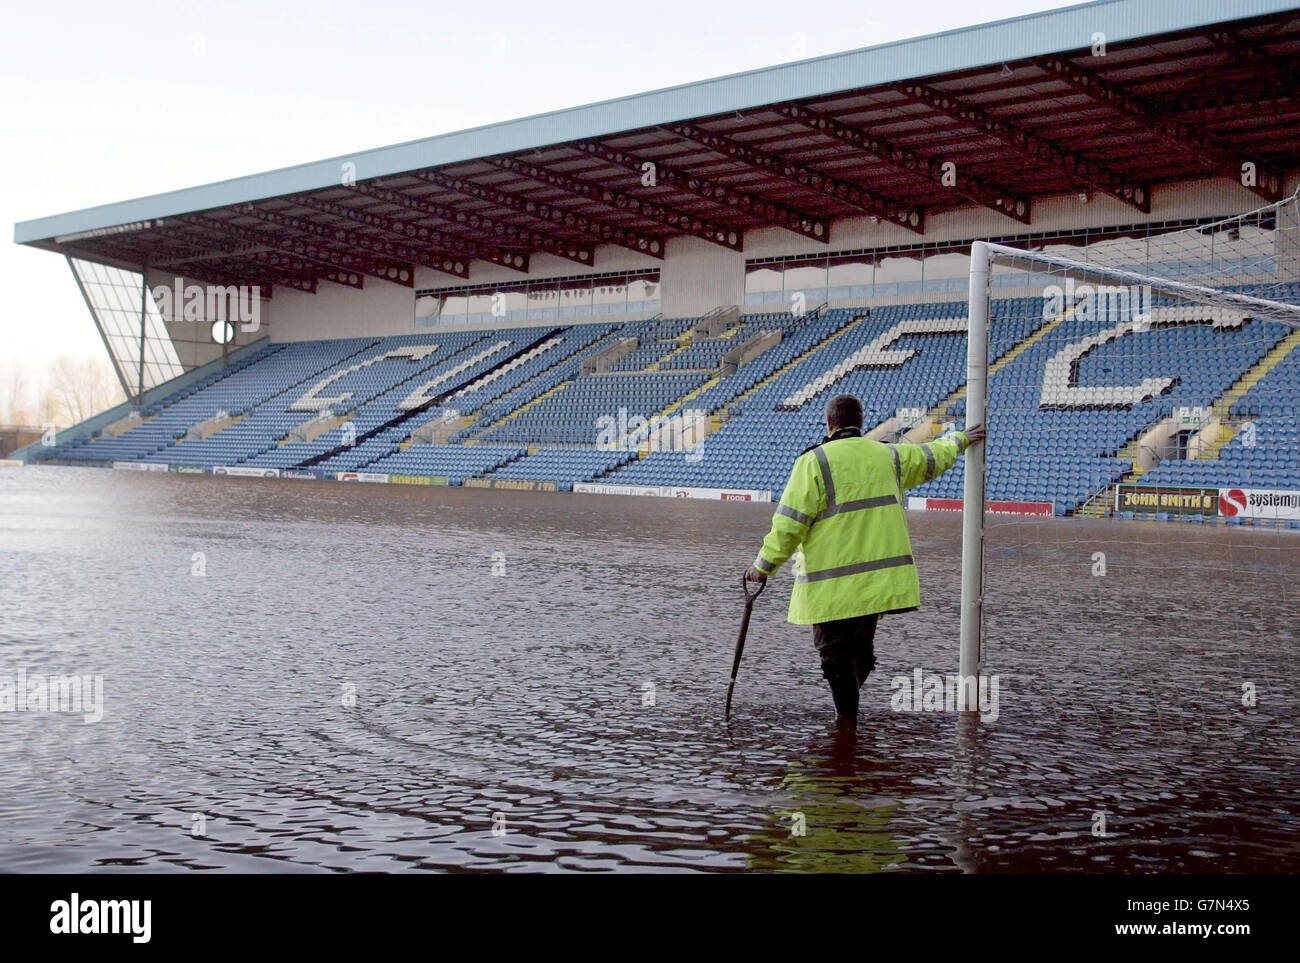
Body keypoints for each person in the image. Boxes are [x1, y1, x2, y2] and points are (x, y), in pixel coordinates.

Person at [745, 394, 985, 720]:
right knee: (859, 651)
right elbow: (933, 457)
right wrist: (959, 439)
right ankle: (848, 726)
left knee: (834, 656)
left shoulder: (814, 462)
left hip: (830, 591)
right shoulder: (888, 455)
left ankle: (846, 725)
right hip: (873, 588)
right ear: (860, 421)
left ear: (829, 423)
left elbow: (788, 525)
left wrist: (762, 568)